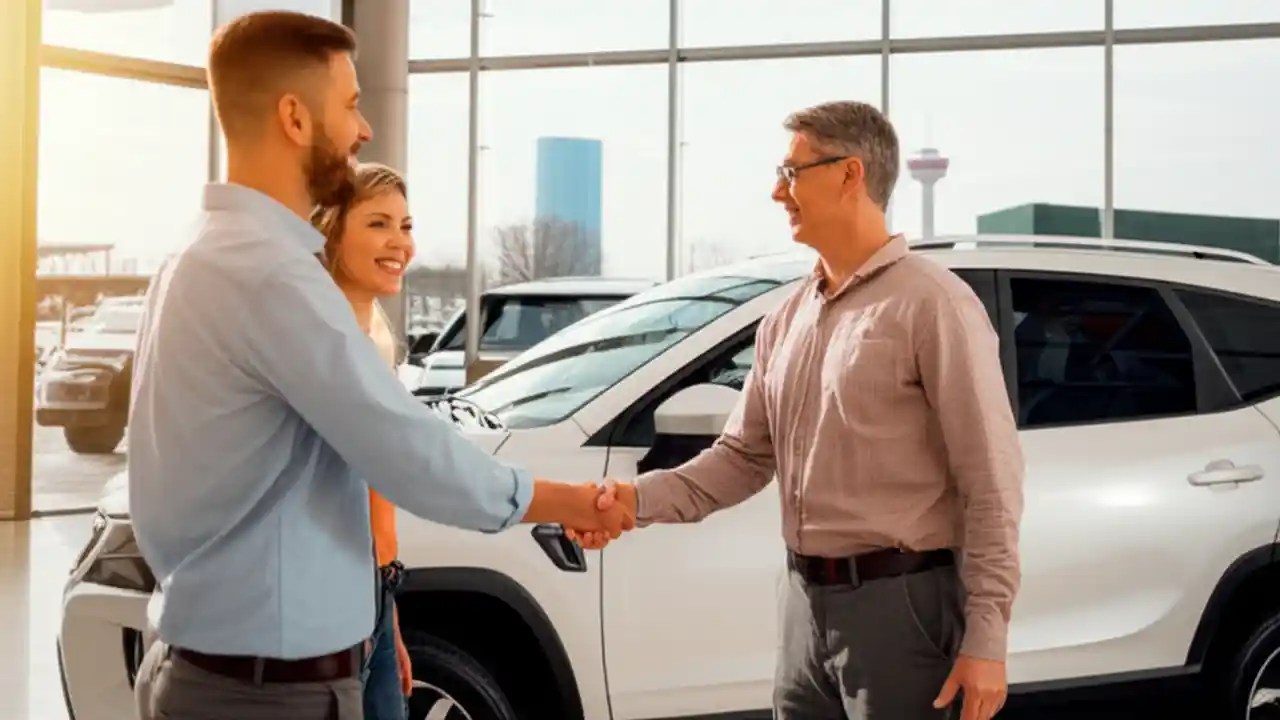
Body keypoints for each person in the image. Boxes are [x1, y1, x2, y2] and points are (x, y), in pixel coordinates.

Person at [128, 12, 632, 720]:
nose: (364, 129)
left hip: (215, 668)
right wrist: (570, 503)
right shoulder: (272, 277)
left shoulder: (197, 254)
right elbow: (408, 453)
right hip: (265, 694)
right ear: (296, 117)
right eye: (351, 105)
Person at [586, 100, 1024, 719]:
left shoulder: (934, 305)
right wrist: (632, 502)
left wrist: (987, 638)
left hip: (902, 607)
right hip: (802, 605)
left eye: (791, 172)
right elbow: (742, 457)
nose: (776, 191)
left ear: (850, 174)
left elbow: (992, 482)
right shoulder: (786, 317)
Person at [311, 162, 417, 720]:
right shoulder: (317, 343)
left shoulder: (374, 334)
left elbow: (376, 487)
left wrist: (389, 613)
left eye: (405, 225)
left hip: (375, 592)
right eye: (379, 224)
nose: (400, 242)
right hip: (331, 604)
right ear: (331, 229)